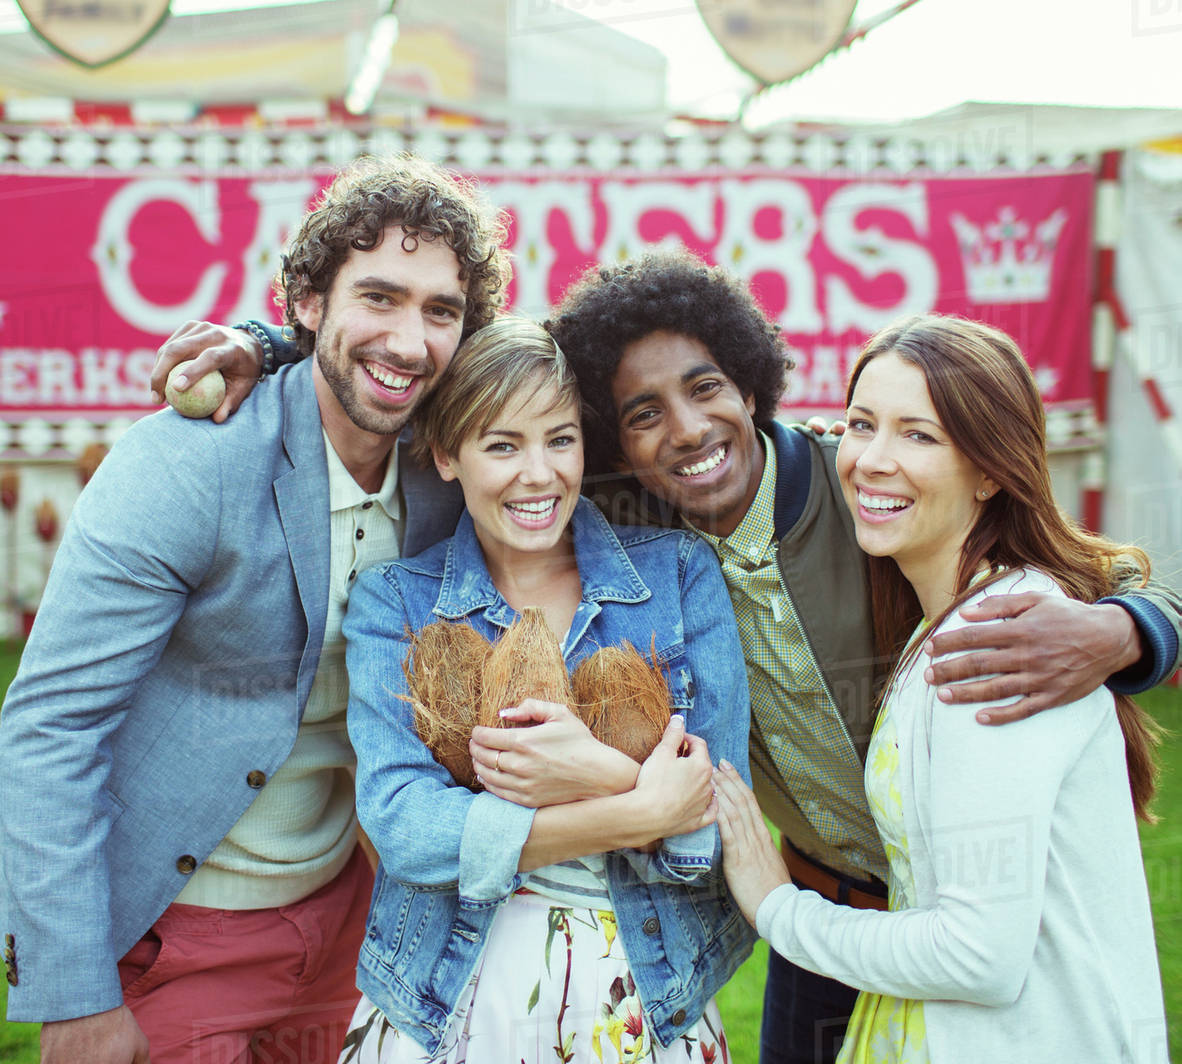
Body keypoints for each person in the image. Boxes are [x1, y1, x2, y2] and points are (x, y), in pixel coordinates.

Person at [162, 251, 1182, 1064]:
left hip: (930, 909)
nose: (686, 431)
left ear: (755, 386)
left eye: (706, 390)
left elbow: (1064, 555)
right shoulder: (597, 512)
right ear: (616, 442)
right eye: (642, 415)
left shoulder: (865, 490)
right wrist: (274, 345)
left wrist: (1130, 630)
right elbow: (457, 398)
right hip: (819, 911)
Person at [0, 154, 510, 1064]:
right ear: (310, 301)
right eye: (379, 297)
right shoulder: (186, 464)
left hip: (351, 919)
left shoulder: (449, 469)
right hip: (173, 933)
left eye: (442, 312)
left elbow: (575, 405)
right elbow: (49, 727)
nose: (408, 339)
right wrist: (75, 993)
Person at [712, 312, 1167, 1063]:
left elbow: (976, 955)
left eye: (918, 435)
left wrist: (777, 908)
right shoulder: (949, 613)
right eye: (862, 425)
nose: (871, 460)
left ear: (991, 469)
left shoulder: (1002, 642)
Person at [336, 317, 753, 1063]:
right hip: (449, 993)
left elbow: (720, 828)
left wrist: (598, 772)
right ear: (446, 455)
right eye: (503, 444)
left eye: (559, 439)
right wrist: (641, 807)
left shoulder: (678, 575)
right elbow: (404, 827)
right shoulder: (393, 602)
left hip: (645, 996)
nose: (540, 474)